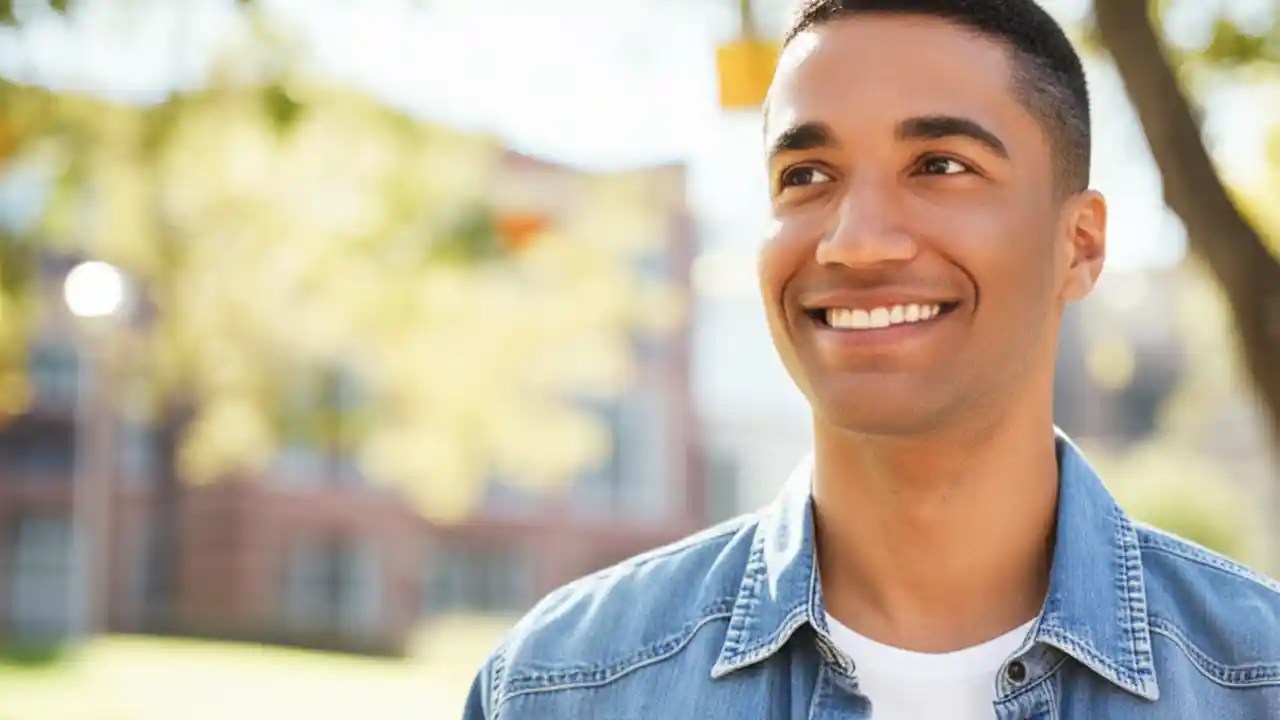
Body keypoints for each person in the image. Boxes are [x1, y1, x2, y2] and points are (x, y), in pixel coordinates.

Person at [462, 1, 1280, 717]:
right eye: (807, 174)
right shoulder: (557, 688)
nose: (854, 242)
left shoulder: (1259, 681)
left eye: (941, 166)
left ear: (1081, 244)